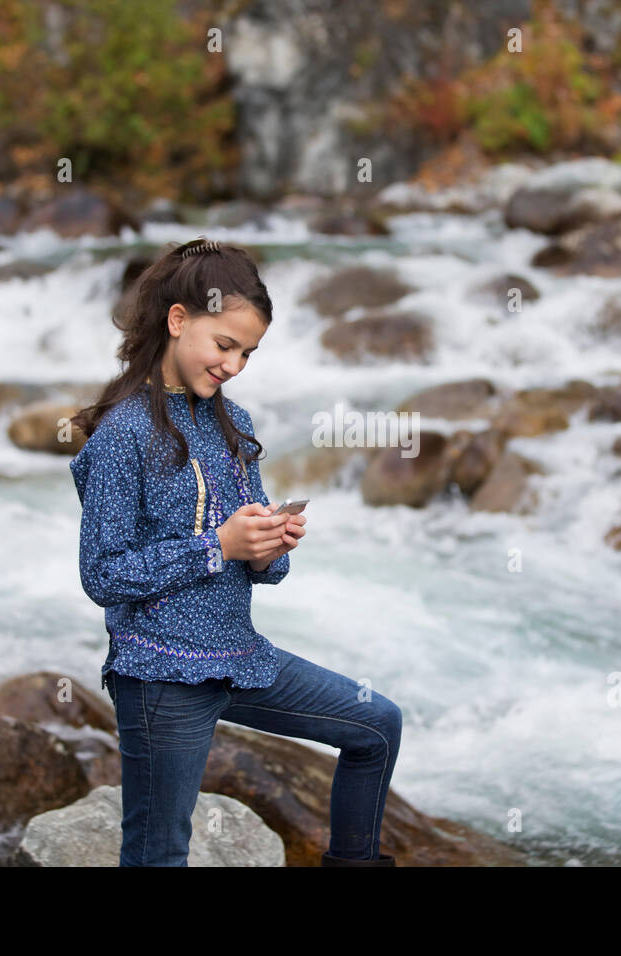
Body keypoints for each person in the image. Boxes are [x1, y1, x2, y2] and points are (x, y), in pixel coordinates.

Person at [69, 237, 402, 867]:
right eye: (225, 345)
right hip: (161, 674)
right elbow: (102, 574)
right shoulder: (124, 434)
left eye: (247, 353)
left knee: (376, 726)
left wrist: (267, 546)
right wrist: (217, 546)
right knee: (158, 853)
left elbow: (264, 568)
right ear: (177, 320)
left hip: (239, 656)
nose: (235, 365)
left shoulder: (233, 422)